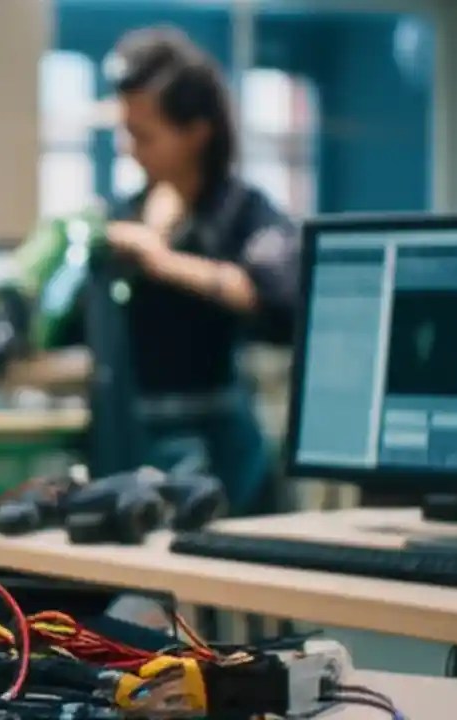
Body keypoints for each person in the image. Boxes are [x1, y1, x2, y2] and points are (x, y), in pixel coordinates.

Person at [91, 27, 300, 516]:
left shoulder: (243, 211)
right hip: (132, 436)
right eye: (125, 132)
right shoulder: (124, 215)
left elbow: (278, 300)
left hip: (220, 439)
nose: (129, 148)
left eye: (144, 135)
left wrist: (163, 262)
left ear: (197, 132)